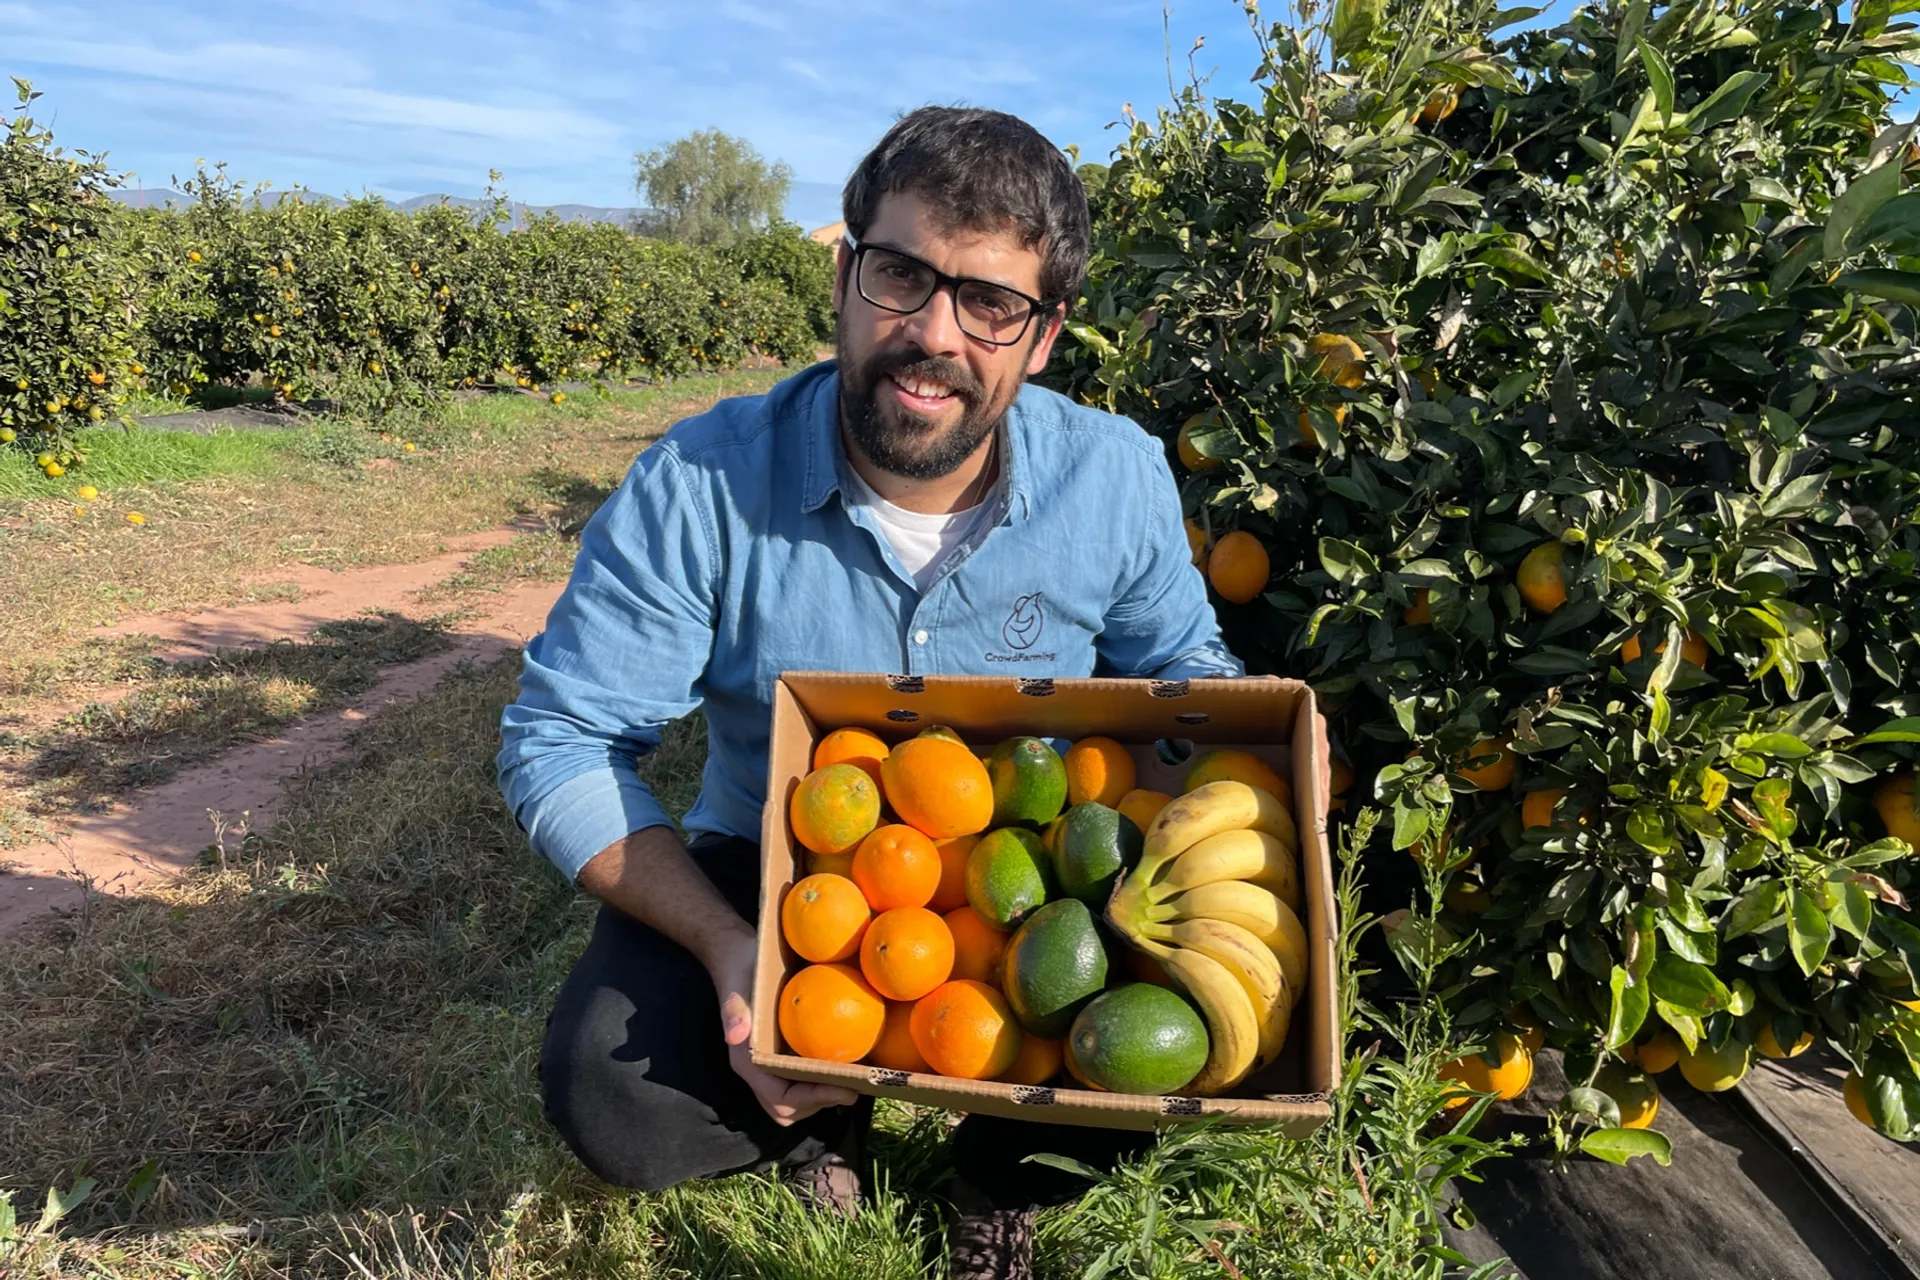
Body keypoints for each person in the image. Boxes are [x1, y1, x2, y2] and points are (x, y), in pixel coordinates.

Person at [496, 104, 1243, 1279]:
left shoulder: (1117, 478)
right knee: (612, 1089)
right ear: (846, 277)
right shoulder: (702, 480)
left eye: (991, 302)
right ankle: (821, 1109)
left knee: (1157, 1025)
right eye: (903, 274)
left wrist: (1246, 793)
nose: (935, 332)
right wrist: (731, 947)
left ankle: (1000, 1170)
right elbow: (561, 736)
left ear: (1041, 338)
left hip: (1031, 859)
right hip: (791, 851)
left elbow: (1187, 673)